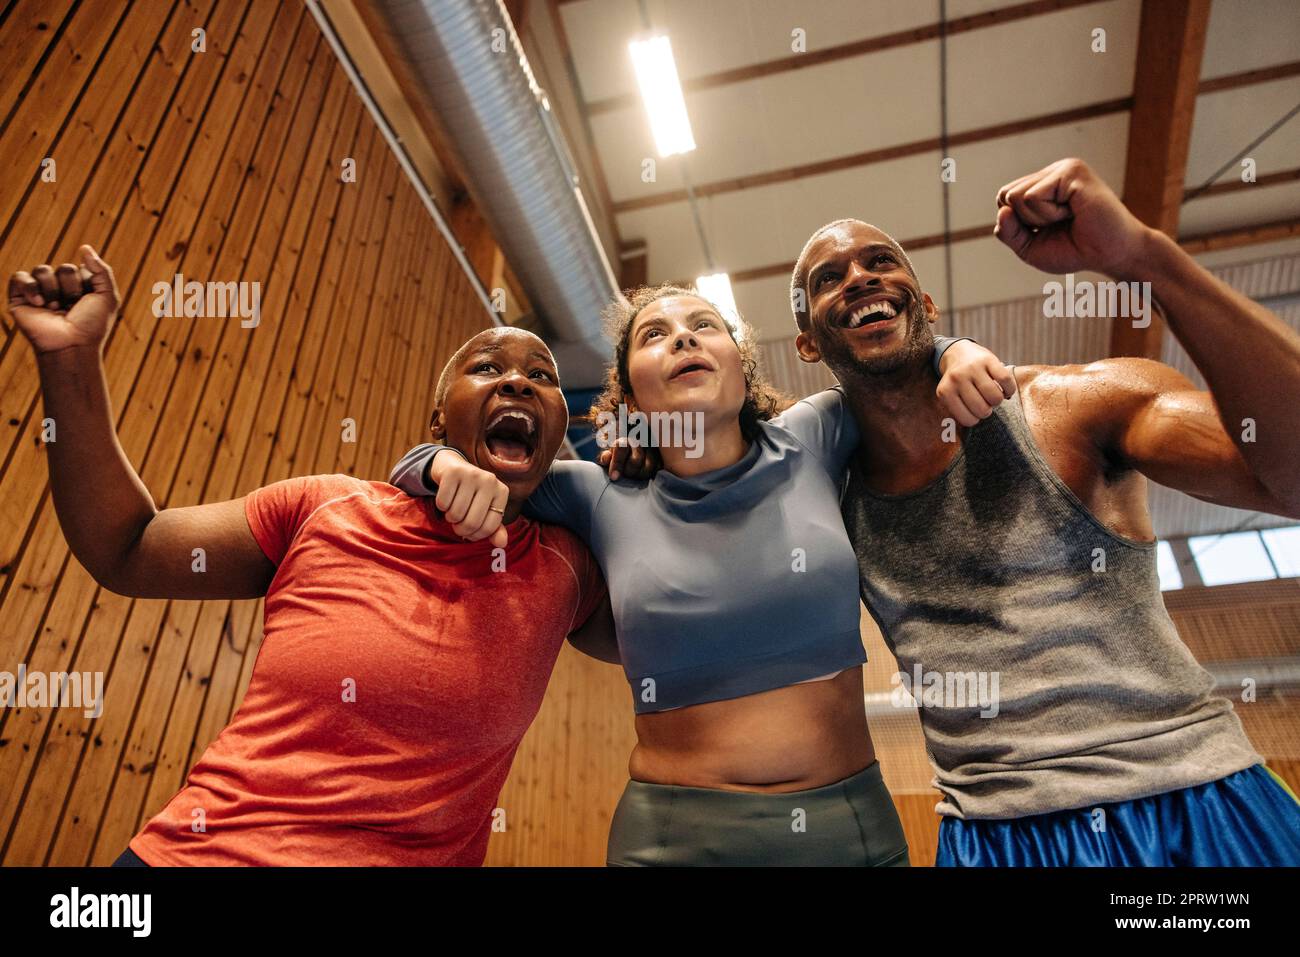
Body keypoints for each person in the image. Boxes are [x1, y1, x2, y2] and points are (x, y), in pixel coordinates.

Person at [7, 247, 611, 866]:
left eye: (543, 376)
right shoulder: (325, 507)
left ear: (560, 428)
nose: (517, 381)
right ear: (438, 418)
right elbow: (127, 546)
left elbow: (690, 647)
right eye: (487, 367)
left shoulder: (566, 570)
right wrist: (70, 358)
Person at [389, 284, 1014, 865]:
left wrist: (952, 349)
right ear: (629, 396)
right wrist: (439, 463)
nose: (683, 339)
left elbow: (895, 373)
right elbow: (439, 467)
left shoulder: (816, 433)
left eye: (704, 326)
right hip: (672, 839)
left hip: (848, 828)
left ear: (742, 365)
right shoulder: (595, 493)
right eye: (654, 335)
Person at [789, 157, 1300, 866]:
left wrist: (1145, 258)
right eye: (829, 277)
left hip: (1192, 802)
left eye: (881, 261)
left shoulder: (1070, 405)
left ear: (925, 305)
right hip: (994, 832)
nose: (861, 278)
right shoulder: (822, 494)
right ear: (808, 341)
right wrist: (640, 446)